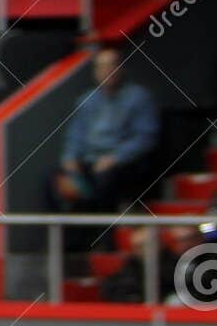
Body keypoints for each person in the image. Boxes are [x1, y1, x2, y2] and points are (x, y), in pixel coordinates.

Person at [51, 47, 159, 215]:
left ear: (121, 68)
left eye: (112, 65)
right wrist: (70, 159)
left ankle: (105, 230)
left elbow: (145, 138)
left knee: (106, 178)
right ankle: (73, 231)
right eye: (101, 66)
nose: (107, 70)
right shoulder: (86, 100)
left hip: (123, 163)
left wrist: (115, 158)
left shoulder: (139, 98)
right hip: (89, 162)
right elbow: (75, 135)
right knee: (55, 180)